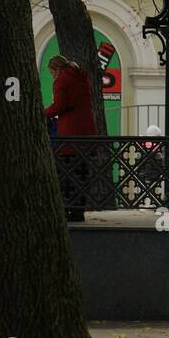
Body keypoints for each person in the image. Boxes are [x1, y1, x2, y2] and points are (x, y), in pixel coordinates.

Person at [44, 55, 96, 222]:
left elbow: (59, 105)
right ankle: (78, 210)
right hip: (86, 133)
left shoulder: (62, 80)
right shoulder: (81, 77)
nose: (52, 76)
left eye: (52, 73)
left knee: (66, 173)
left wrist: (42, 113)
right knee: (81, 172)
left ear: (55, 69)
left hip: (69, 134)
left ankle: (68, 208)